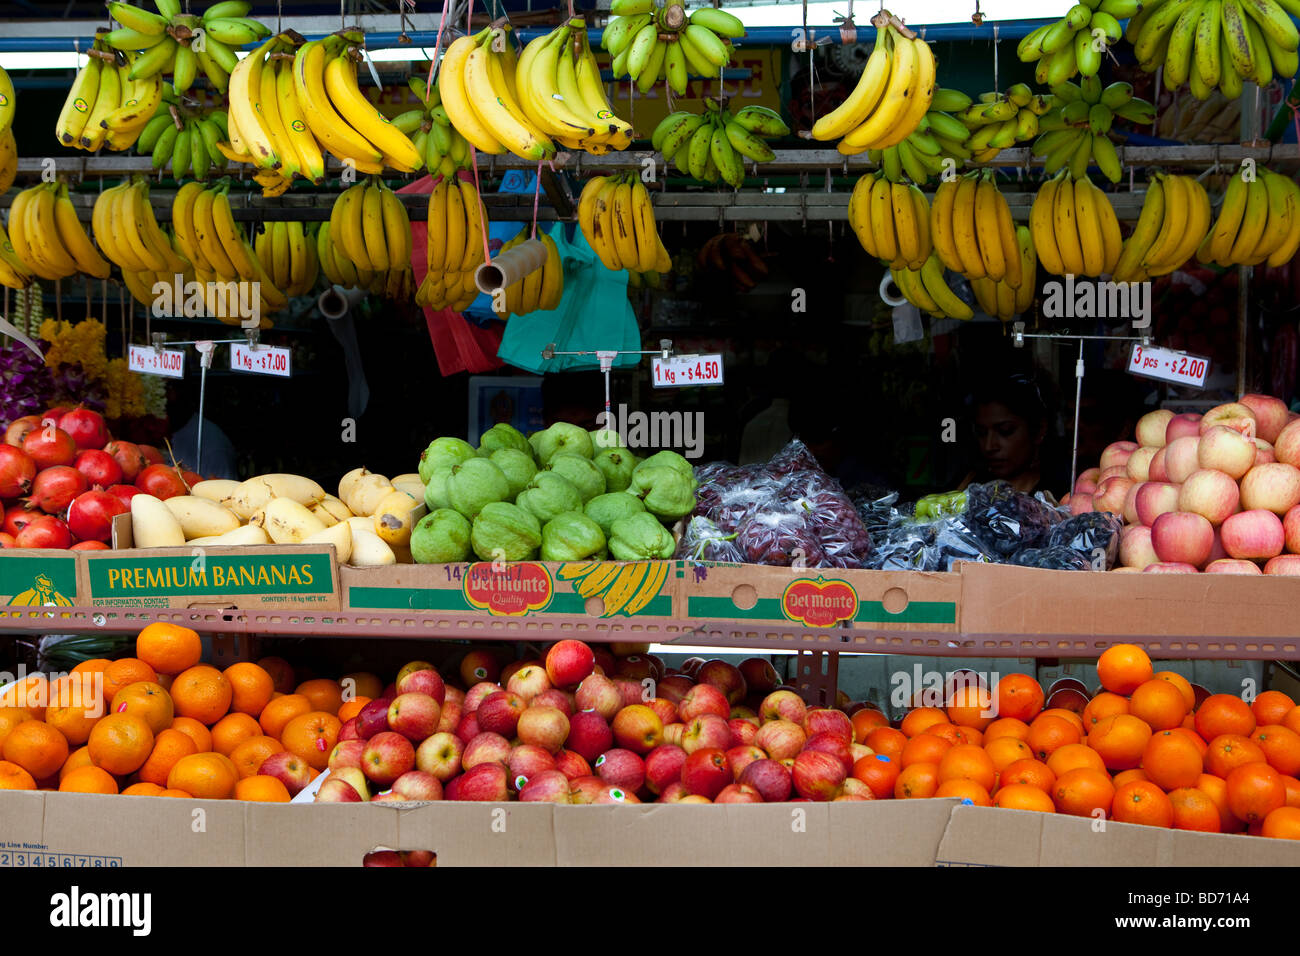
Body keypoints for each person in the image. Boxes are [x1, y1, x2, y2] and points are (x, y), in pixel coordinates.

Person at [959, 372, 1068, 496]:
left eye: (1005, 431)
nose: (989, 446)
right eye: (982, 433)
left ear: (1039, 430)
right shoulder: (970, 486)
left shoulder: (1063, 493)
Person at [165, 381, 240, 480]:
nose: (165, 395)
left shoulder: (213, 445)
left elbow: (227, 492)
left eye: (168, 387)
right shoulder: (148, 431)